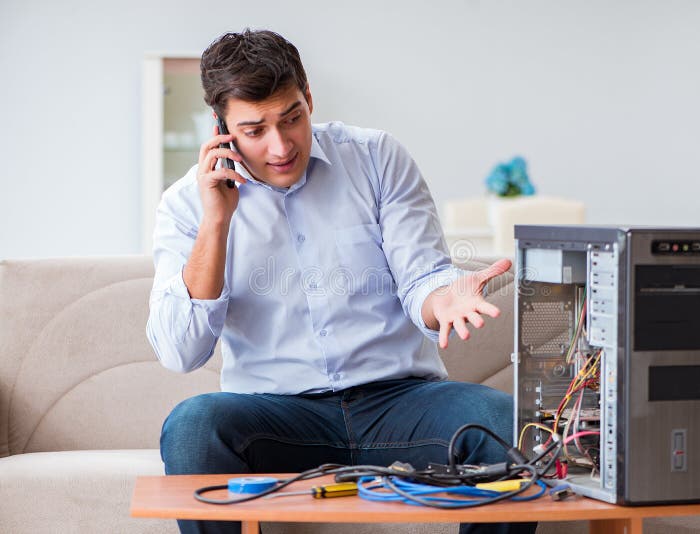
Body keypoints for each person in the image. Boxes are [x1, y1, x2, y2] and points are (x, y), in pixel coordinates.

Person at [146, 28, 536, 534]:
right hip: (277, 414)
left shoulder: (375, 159)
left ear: (309, 97)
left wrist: (445, 298)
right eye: (255, 129)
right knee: (193, 427)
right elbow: (180, 353)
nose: (281, 145)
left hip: (399, 402)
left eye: (292, 118)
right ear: (221, 128)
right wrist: (216, 222)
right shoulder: (184, 205)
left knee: (512, 426)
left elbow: (422, 277)